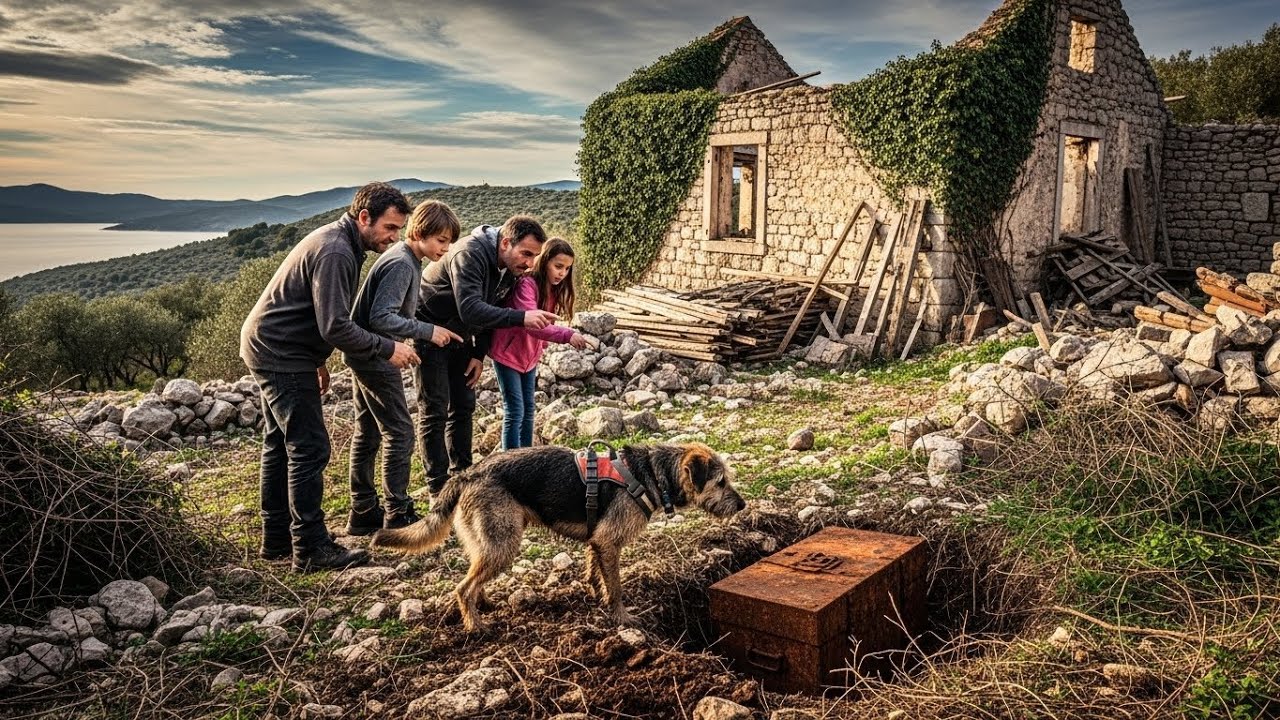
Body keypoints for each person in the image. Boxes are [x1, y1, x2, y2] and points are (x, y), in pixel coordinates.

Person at [240, 181, 420, 573]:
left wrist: (318, 360)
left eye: (399, 231)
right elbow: (336, 326)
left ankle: (277, 539)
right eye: (390, 228)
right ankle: (310, 548)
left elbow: (314, 313)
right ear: (364, 217)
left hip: (275, 345)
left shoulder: (340, 241)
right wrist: (390, 348)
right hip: (281, 352)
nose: (393, 239)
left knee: (279, 443)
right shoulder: (338, 250)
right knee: (309, 448)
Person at [345, 200, 465, 536]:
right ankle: (397, 512)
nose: (446, 248)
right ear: (420, 233)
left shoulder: (404, 259)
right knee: (400, 432)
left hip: (365, 352)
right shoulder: (402, 264)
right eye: (441, 240)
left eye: (450, 241)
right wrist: (428, 331)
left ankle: (363, 509)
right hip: (377, 354)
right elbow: (382, 317)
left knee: (367, 430)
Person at [415, 215, 558, 494]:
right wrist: (522, 317)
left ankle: (462, 479)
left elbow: (489, 312)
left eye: (534, 256)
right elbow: (471, 307)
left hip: (463, 336)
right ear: (505, 242)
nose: (530, 263)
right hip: (430, 333)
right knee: (434, 410)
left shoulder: (510, 268)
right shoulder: (470, 254)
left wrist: (479, 354)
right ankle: (437, 489)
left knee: (464, 406)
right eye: (526, 254)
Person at [488, 238, 589, 450]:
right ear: (544, 261)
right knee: (515, 410)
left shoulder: (551, 290)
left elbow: (543, 329)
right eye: (558, 266)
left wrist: (540, 347)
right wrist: (567, 335)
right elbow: (533, 324)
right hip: (508, 355)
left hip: (529, 357)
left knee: (529, 409)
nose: (562, 273)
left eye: (567, 269)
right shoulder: (527, 285)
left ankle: (527, 459)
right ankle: (510, 464)